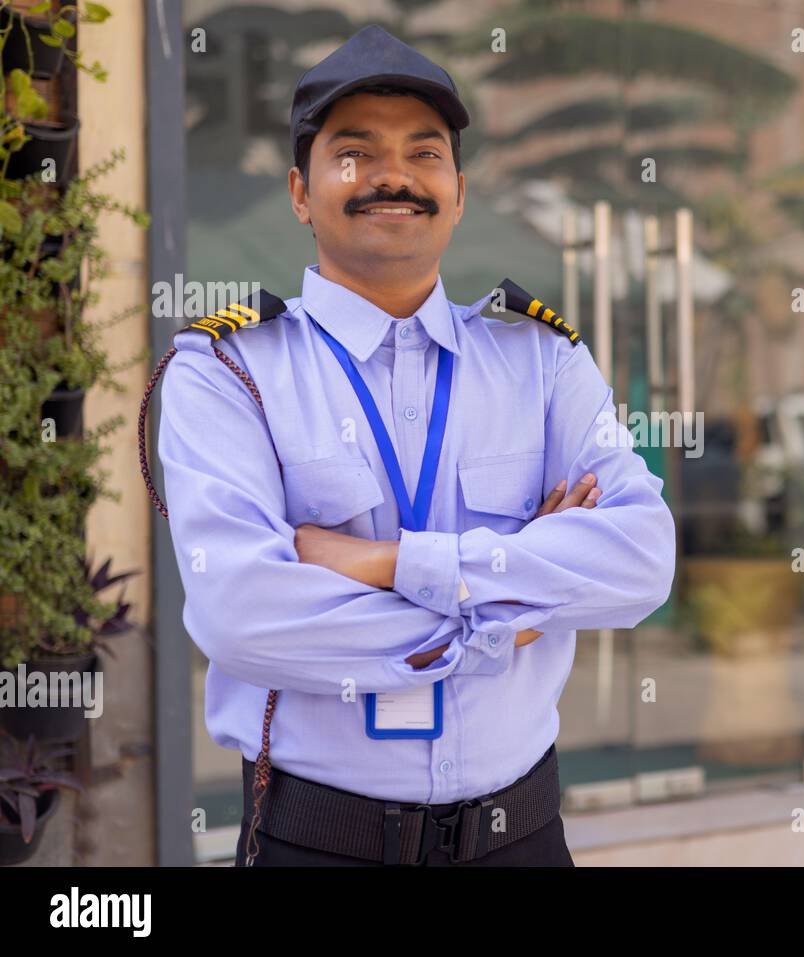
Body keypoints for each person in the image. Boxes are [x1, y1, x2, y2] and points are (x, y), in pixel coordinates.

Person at [156, 24, 677, 866]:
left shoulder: (542, 363)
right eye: (355, 152)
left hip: (523, 837)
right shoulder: (225, 375)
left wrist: (384, 561)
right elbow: (242, 615)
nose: (393, 175)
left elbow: (642, 560)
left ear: (459, 191)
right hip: (318, 842)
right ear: (300, 190)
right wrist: (513, 610)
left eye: (424, 153)